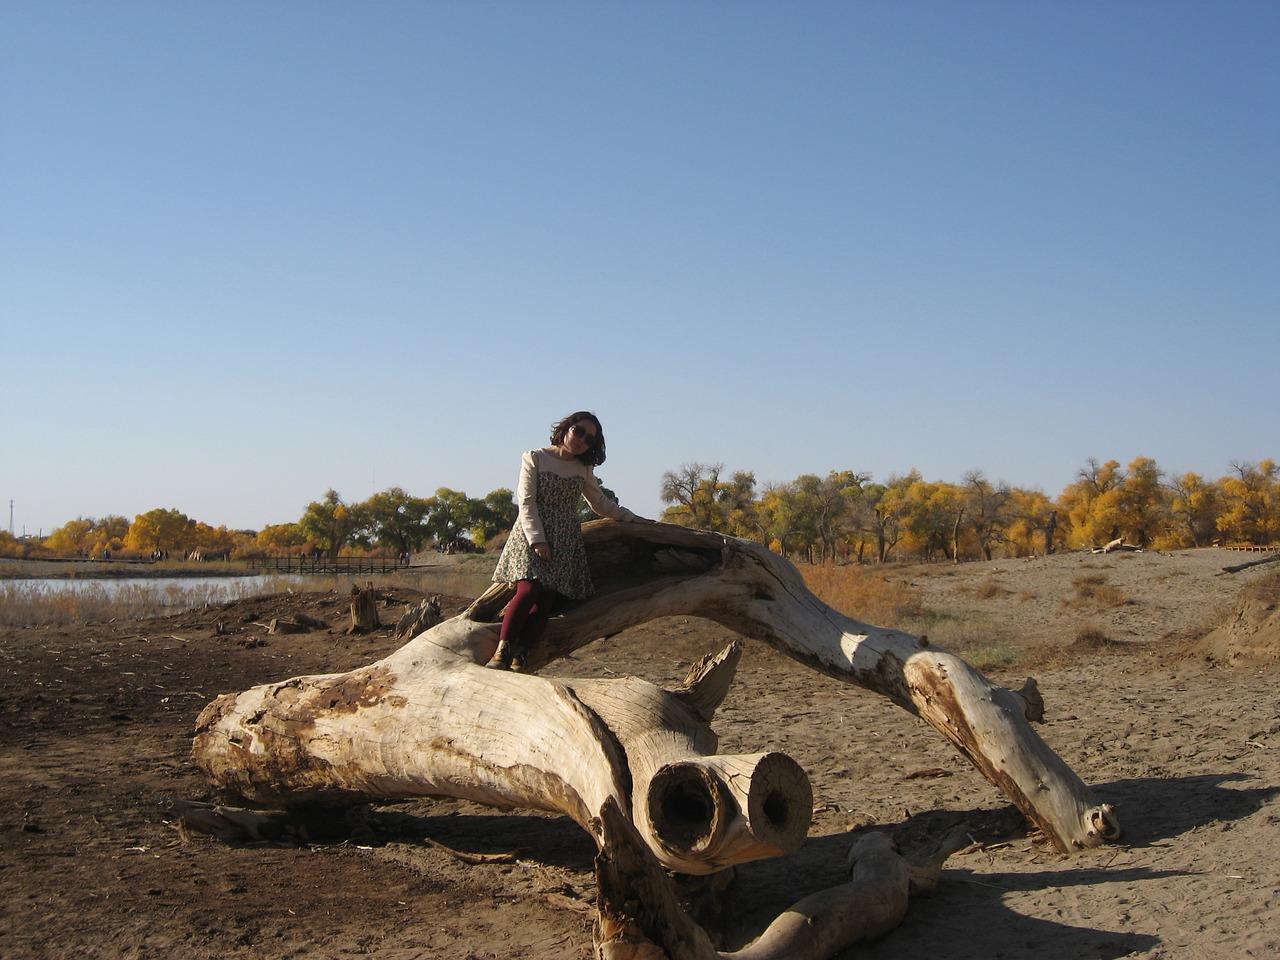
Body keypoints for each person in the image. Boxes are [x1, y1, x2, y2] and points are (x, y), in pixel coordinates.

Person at [488, 411, 648, 670]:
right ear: (566, 428)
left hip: (565, 539)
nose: (581, 440)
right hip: (531, 534)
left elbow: (600, 504)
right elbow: (526, 503)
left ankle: (522, 653)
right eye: (579, 431)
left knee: (546, 601)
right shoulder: (535, 457)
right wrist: (538, 540)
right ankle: (501, 652)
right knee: (528, 591)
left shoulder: (583, 468)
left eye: (589, 439)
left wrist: (632, 518)